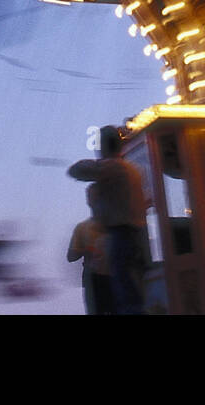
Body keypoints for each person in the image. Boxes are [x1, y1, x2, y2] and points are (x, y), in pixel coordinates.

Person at [67, 125, 147, 314]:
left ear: (103, 147)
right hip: (135, 235)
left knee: (125, 290)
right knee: (129, 286)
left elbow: (77, 170)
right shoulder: (132, 170)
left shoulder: (113, 167)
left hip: (122, 234)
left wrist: (99, 164)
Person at [67, 185, 113, 314]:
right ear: (88, 201)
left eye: (97, 196)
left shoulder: (117, 226)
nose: (93, 200)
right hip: (93, 280)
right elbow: (70, 256)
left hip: (115, 276)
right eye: (91, 197)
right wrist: (85, 250)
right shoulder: (82, 228)